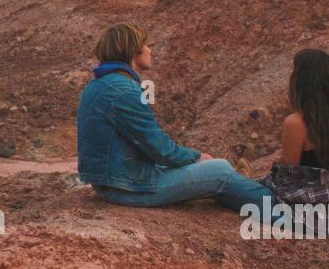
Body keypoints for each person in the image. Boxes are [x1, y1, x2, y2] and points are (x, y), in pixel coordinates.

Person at [76, 22, 272, 210]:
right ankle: (280, 209)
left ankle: (247, 187)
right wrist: (197, 157)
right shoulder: (124, 90)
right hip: (128, 187)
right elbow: (159, 148)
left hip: (114, 182)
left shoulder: (100, 84)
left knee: (215, 173)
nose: (150, 50)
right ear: (133, 50)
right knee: (220, 169)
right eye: (145, 44)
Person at [259, 49, 329, 207]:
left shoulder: (297, 123)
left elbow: (287, 183)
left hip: (302, 211)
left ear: (302, 81)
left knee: (221, 174)